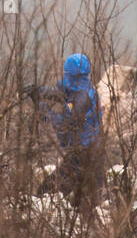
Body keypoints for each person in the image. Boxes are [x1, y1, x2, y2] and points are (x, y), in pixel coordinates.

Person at [23, 53, 103, 208]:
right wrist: (38, 90)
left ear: (71, 73)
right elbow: (60, 93)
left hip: (84, 157)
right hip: (88, 155)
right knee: (82, 207)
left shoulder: (82, 96)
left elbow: (65, 123)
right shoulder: (81, 89)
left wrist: (43, 109)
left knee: (47, 194)